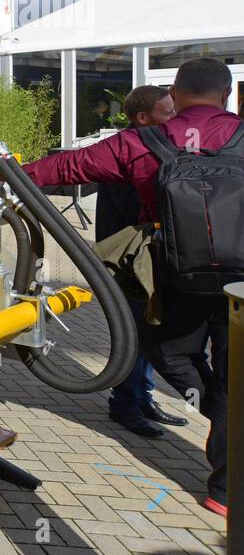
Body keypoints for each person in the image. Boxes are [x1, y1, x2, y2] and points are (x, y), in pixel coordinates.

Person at [22, 58, 240, 517]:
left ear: (176, 95)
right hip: (240, 285)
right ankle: (225, 485)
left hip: (176, 279)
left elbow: (69, 166)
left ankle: (221, 414)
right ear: (227, 94)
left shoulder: (142, 141)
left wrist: (6, 171)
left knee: (170, 354)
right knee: (235, 376)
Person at [95, 86, 189, 438]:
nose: (175, 120)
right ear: (143, 118)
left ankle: (142, 396)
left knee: (148, 329)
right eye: (169, 113)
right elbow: (136, 211)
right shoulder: (127, 154)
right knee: (133, 335)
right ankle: (125, 405)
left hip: (148, 258)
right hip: (129, 262)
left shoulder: (150, 148)